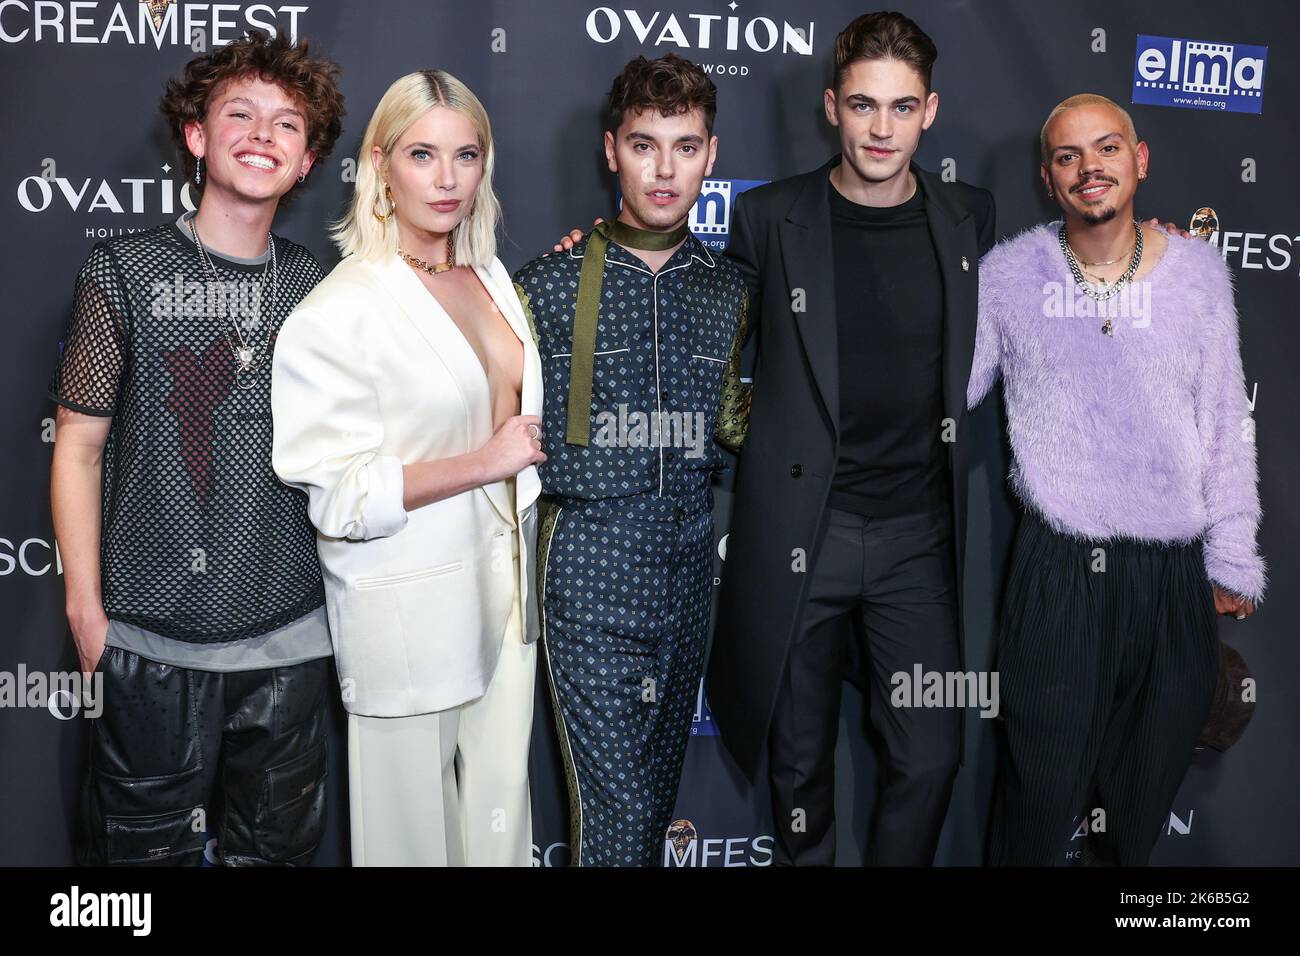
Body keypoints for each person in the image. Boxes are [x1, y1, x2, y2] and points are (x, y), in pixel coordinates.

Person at [49, 31, 345, 865]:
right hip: (148, 638)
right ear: (197, 135)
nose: (262, 134)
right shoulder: (123, 271)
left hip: (290, 637)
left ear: (308, 159)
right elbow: (78, 444)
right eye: (239, 113)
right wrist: (84, 605)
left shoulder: (322, 289)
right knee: (136, 868)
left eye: (287, 124)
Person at [706, 11, 994, 866]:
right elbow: (706, 335)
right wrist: (595, 252)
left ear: (929, 112)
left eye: (901, 108)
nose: (881, 128)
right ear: (831, 105)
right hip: (805, 531)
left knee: (931, 754)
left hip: (916, 537)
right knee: (797, 768)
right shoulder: (767, 219)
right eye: (864, 105)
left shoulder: (968, 216)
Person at [968, 93, 1264, 866]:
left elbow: (1226, 422)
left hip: (1172, 579)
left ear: (1140, 161)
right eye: (1068, 156)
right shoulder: (1006, 279)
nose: (1088, 167)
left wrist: (1231, 559)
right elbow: (942, 386)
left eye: (1106, 149)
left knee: (1136, 822)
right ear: (1048, 175)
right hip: (1059, 570)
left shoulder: (1198, 276)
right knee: (1035, 807)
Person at [271, 70, 544, 867]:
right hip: (406, 608)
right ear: (381, 165)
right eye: (424, 155)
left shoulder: (492, 276)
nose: (448, 178)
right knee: (407, 844)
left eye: (467, 155)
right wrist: (481, 461)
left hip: (507, 597)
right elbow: (342, 497)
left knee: (500, 830)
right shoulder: (340, 309)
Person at [514, 53, 750, 867]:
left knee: (649, 809)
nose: (665, 168)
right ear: (611, 150)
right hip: (586, 561)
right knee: (613, 814)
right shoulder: (543, 285)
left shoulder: (732, 291)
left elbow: (739, 425)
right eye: (645, 145)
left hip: (689, 570)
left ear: (711, 157)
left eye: (686, 147)